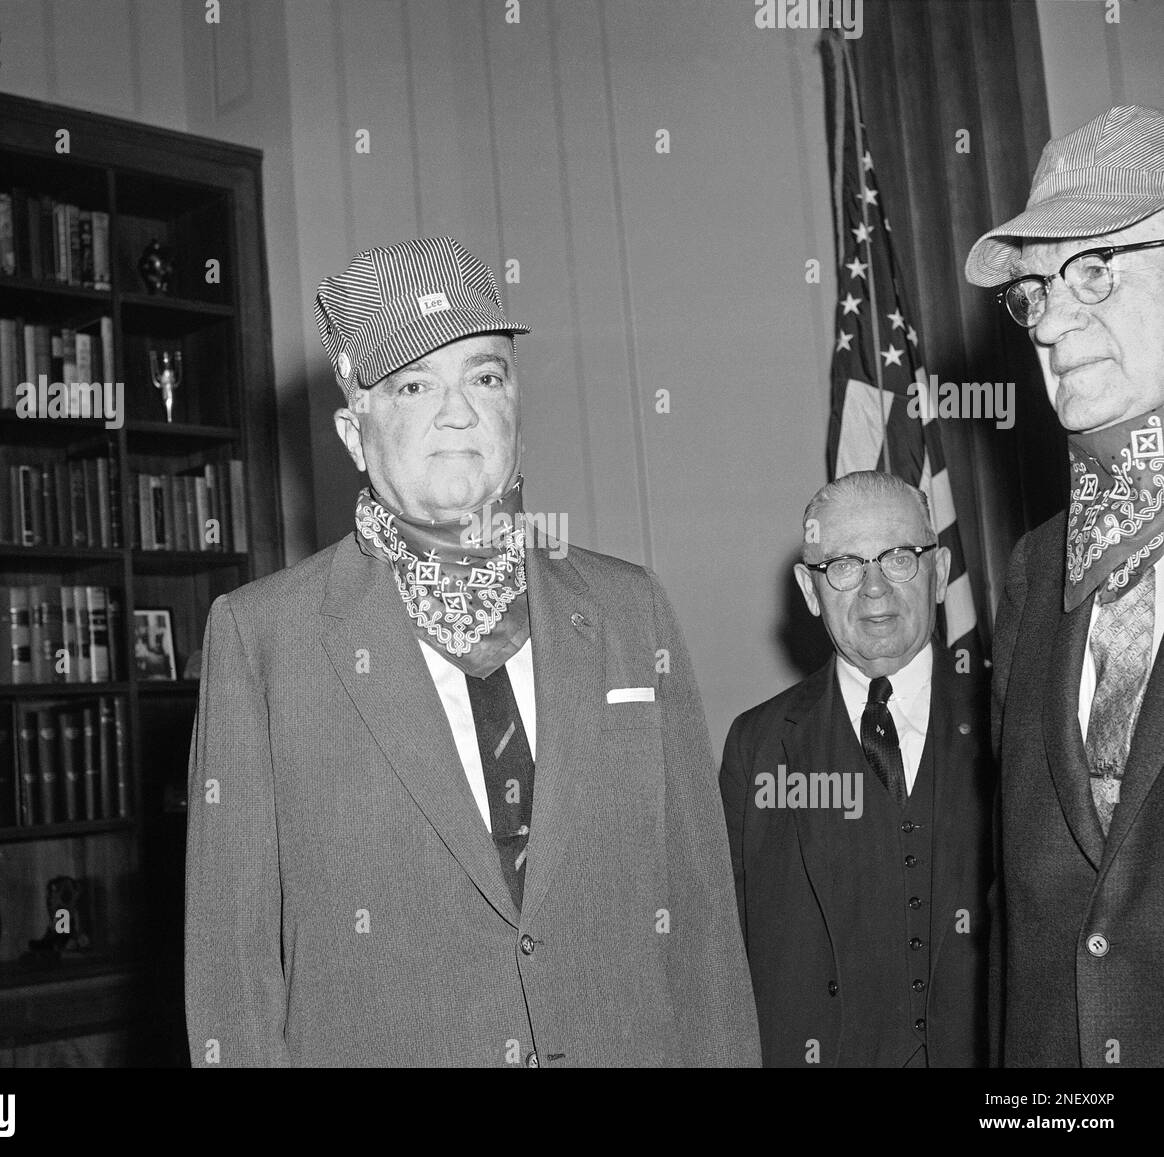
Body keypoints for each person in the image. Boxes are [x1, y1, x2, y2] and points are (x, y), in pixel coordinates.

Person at [183, 236, 759, 1067]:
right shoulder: (262, 639)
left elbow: (703, 923)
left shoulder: (630, 609)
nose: (457, 412)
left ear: (516, 406)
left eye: (484, 377)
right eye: (415, 384)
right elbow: (232, 976)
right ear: (354, 432)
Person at [966, 104, 1164, 1067]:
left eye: (1095, 268)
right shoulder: (1037, 569)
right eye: (1036, 290)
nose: (1050, 321)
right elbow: (1023, 918)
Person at [721, 471, 992, 1066]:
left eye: (899, 558)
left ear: (939, 572)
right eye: (844, 565)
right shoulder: (757, 747)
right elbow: (725, 956)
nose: (874, 589)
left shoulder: (1009, 716)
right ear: (810, 589)